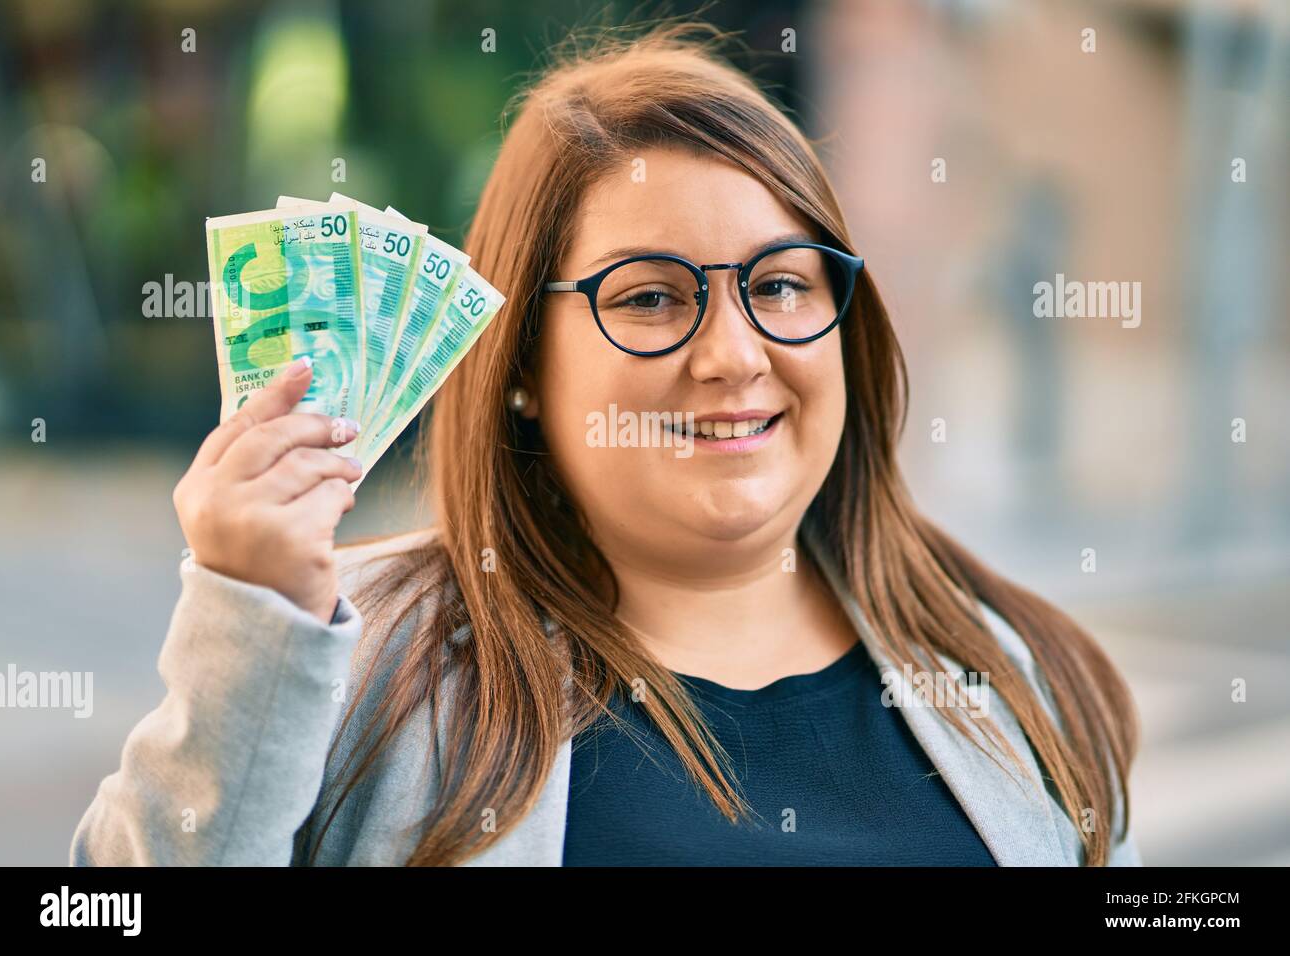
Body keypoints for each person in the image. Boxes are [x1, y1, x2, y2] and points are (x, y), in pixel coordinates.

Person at [70, 21, 1141, 867]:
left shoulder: (1018, 670)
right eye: (648, 296)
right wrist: (249, 626)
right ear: (524, 364)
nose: (733, 353)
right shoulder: (355, 669)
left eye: (778, 284)